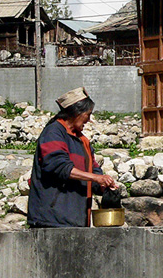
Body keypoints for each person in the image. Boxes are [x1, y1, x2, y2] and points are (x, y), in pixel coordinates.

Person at [27, 87, 118, 228]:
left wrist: (103, 185)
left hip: (77, 220)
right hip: (51, 219)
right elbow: (60, 167)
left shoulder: (83, 141)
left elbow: (93, 170)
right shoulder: (53, 133)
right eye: (88, 115)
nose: (89, 120)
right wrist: (96, 178)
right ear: (76, 113)